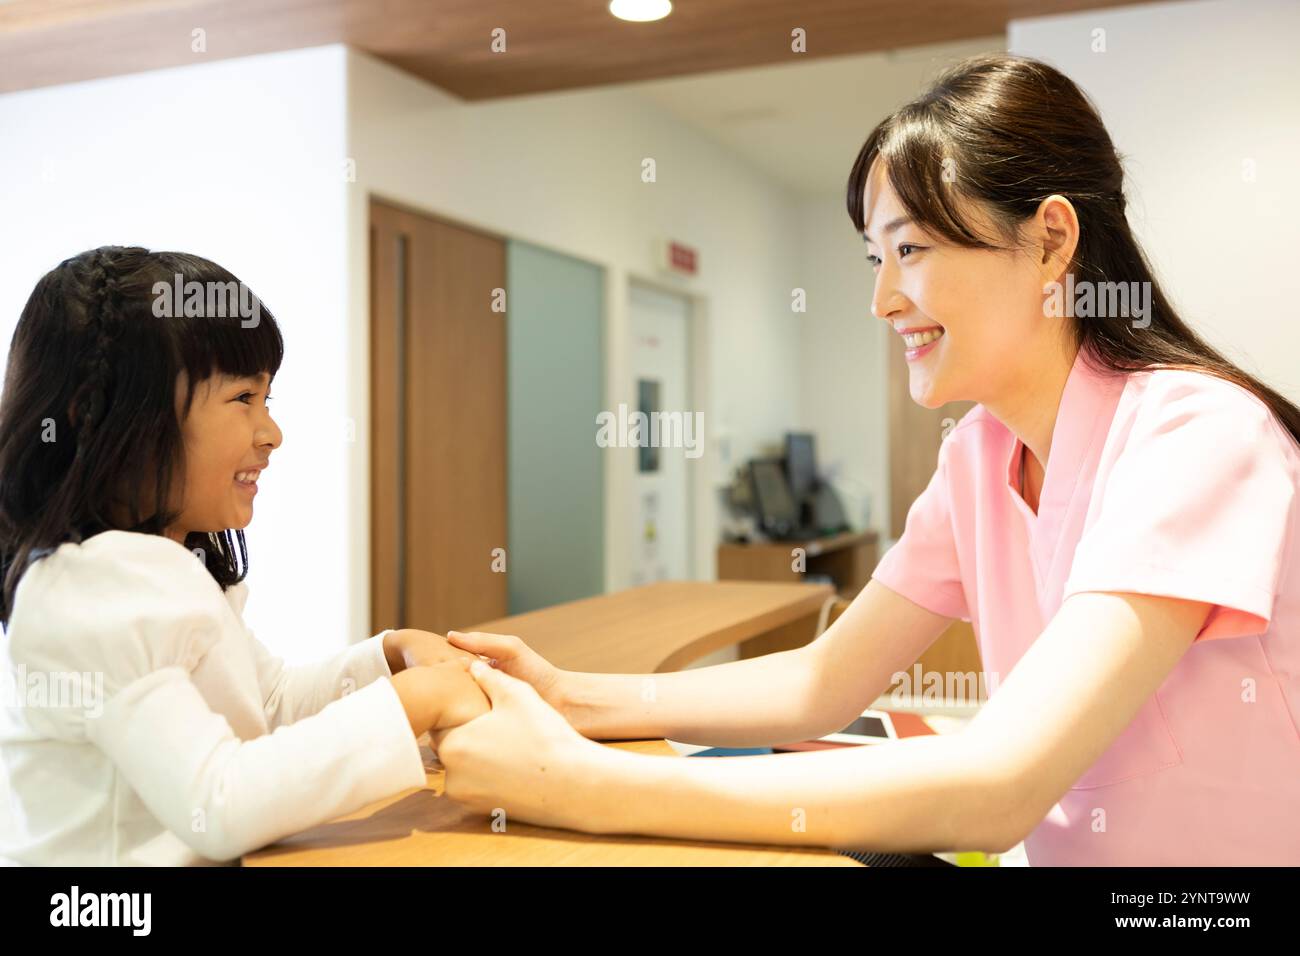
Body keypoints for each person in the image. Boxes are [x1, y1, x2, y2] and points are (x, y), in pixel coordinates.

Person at [432, 53, 1300, 866]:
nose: (883, 299)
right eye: (874, 258)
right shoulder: (978, 458)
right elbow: (821, 680)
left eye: (911, 250)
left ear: (1051, 241)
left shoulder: (1200, 435)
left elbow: (999, 787)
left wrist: (587, 786)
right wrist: (567, 697)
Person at [0, 246, 488, 865]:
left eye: (268, 400)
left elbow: (270, 702)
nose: (271, 433)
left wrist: (390, 660)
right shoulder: (92, 589)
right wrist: (418, 700)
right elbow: (221, 802)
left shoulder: (160, 563)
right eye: (242, 400)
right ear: (102, 421)